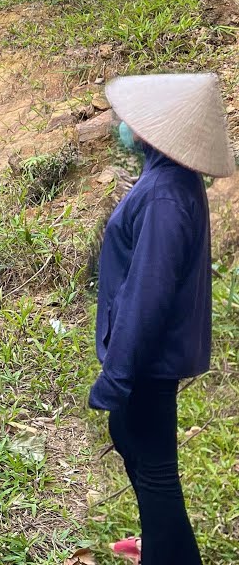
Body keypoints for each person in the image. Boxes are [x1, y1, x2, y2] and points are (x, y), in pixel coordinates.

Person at [90, 73, 235, 565]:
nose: (121, 125)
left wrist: (117, 374)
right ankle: (162, 539)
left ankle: (169, 552)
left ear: (153, 130)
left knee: (155, 471)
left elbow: (146, 297)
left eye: (130, 120)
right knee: (136, 445)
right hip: (147, 356)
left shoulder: (163, 195)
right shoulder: (166, 180)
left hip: (148, 358)